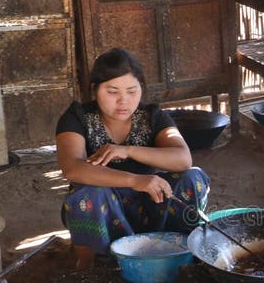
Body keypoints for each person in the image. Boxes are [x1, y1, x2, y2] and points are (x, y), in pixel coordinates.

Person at [56, 47, 210, 269]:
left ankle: (180, 252)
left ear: (142, 89)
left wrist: (128, 150)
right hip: (103, 212)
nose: (123, 101)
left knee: (192, 178)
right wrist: (135, 180)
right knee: (88, 193)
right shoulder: (77, 118)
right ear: (95, 89)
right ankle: (91, 264)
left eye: (131, 91)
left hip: (151, 205)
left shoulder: (152, 117)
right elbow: (73, 168)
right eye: (112, 92)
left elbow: (183, 159)